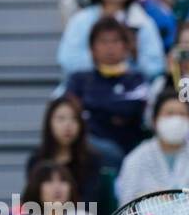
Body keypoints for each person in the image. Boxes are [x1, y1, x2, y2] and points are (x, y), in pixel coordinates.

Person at [62, 18, 151, 170]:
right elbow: (69, 110)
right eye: (103, 42)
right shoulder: (78, 79)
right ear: (92, 49)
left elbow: (131, 108)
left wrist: (92, 107)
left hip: (128, 147)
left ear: (126, 47)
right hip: (89, 147)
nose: (110, 47)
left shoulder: (137, 78)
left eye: (115, 41)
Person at [58, 0, 166, 80]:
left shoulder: (142, 22)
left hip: (130, 87)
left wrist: (133, 56)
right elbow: (68, 60)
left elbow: (156, 66)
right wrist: (104, 62)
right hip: (86, 86)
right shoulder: (81, 20)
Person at [115, 92, 189, 204]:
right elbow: (125, 204)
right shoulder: (136, 158)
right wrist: (150, 200)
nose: (176, 120)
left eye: (182, 114)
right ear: (154, 120)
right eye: (170, 114)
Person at [27, 95, 103, 203]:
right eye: (61, 119)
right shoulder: (36, 160)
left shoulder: (92, 159)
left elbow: (90, 201)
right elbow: (32, 199)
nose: (68, 125)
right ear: (49, 123)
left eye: (74, 119)